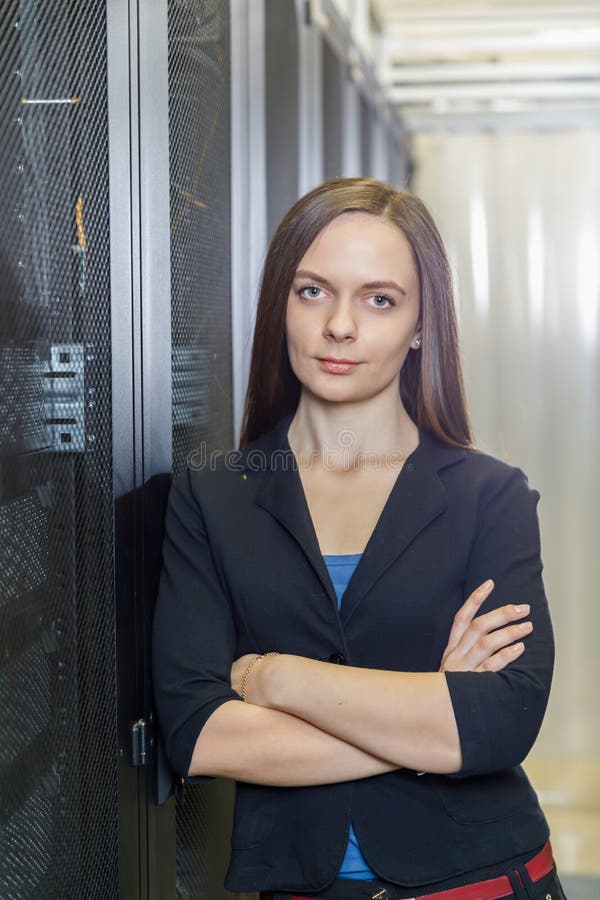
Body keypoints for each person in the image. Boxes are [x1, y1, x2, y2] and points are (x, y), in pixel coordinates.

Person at [153, 178, 565, 900]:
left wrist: (277, 680)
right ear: (280, 304)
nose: (341, 325)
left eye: (380, 299)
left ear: (419, 326)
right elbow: (201, 734)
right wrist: (432, 715)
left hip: (478, 881)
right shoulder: (213, 497)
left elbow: (500, 725)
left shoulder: (489, 496)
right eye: (313, 291)